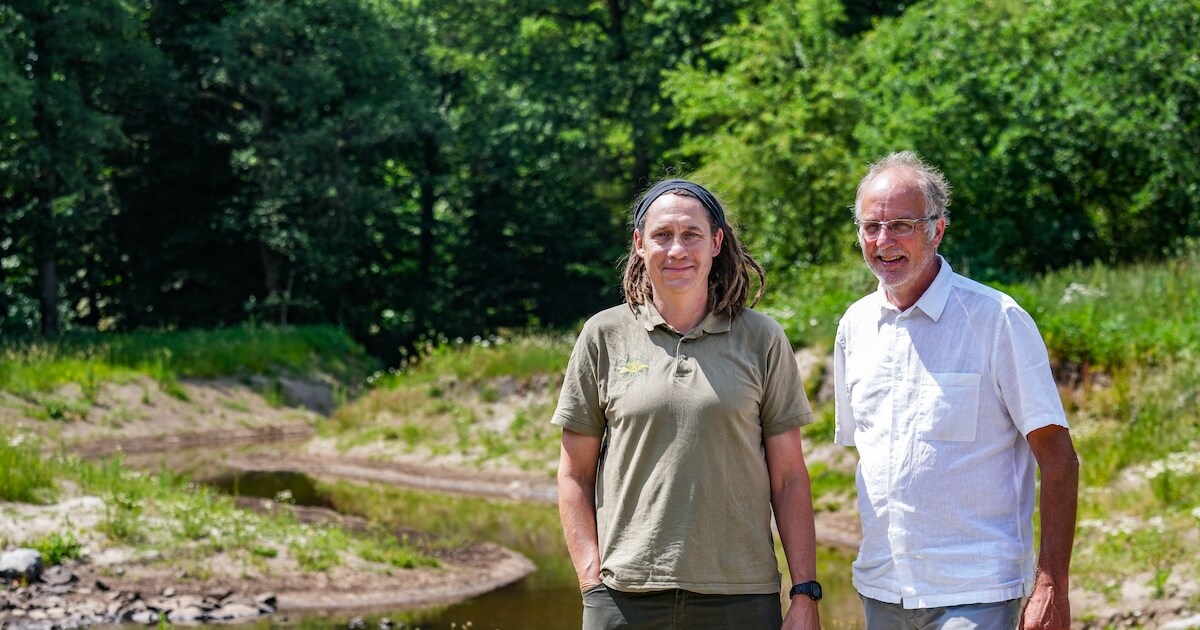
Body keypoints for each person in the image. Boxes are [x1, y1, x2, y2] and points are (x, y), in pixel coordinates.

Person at [553, 178, 823, 630]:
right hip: (625, 598)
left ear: (715, 243)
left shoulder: (762, 339)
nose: (677, 249)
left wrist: (805, 592)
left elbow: (790, 478)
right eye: (662, 235)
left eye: (691, 235)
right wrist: (590, 579)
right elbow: (573, 474)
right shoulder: (603, 335)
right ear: (640, 244)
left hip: (741, 598)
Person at [833, 151, 1080, 629]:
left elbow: (1059, 458)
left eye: (901, 225)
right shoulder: (854, 327)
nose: (883, 241)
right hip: (881, 588)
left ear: (937, 230)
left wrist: (1052, 585)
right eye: (871, 227)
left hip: (975, 591)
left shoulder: (998, 320)